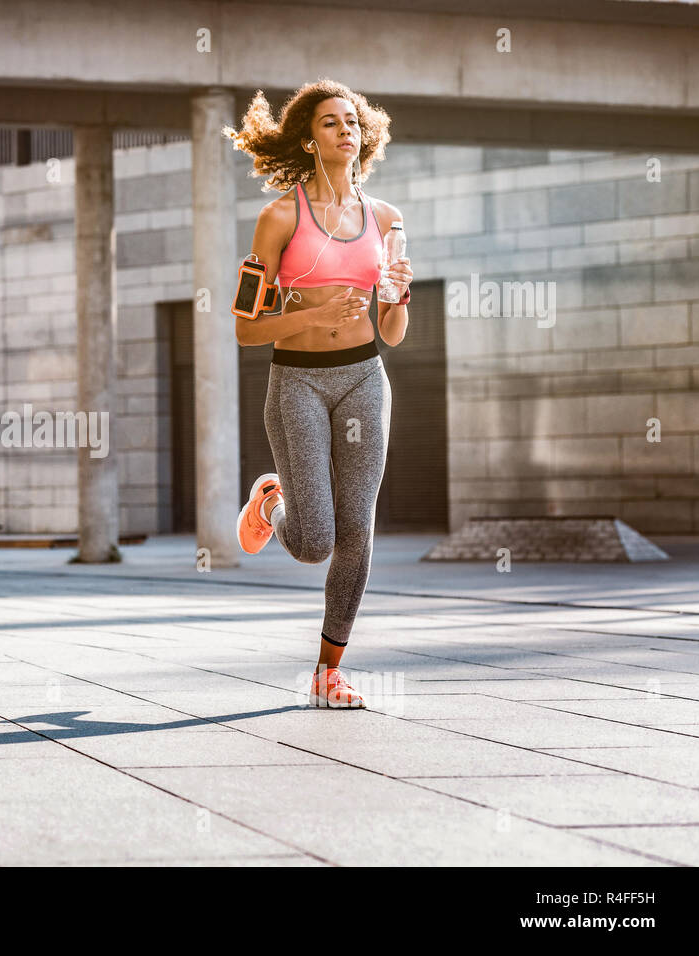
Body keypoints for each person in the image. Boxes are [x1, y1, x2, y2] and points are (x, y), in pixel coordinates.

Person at [223, 80, 414, 709]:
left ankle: (329, 669)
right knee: (312, 542)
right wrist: (313, 313)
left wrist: (397, 296)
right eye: (330, 123)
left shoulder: (386, 221)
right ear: (310, 138)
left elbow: (393, 332)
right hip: (297, 379)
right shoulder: (280, 217)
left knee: (357, 530)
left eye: (352, 122)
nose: (345, 131)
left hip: (364, 376)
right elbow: (247, 330)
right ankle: (272, 499)